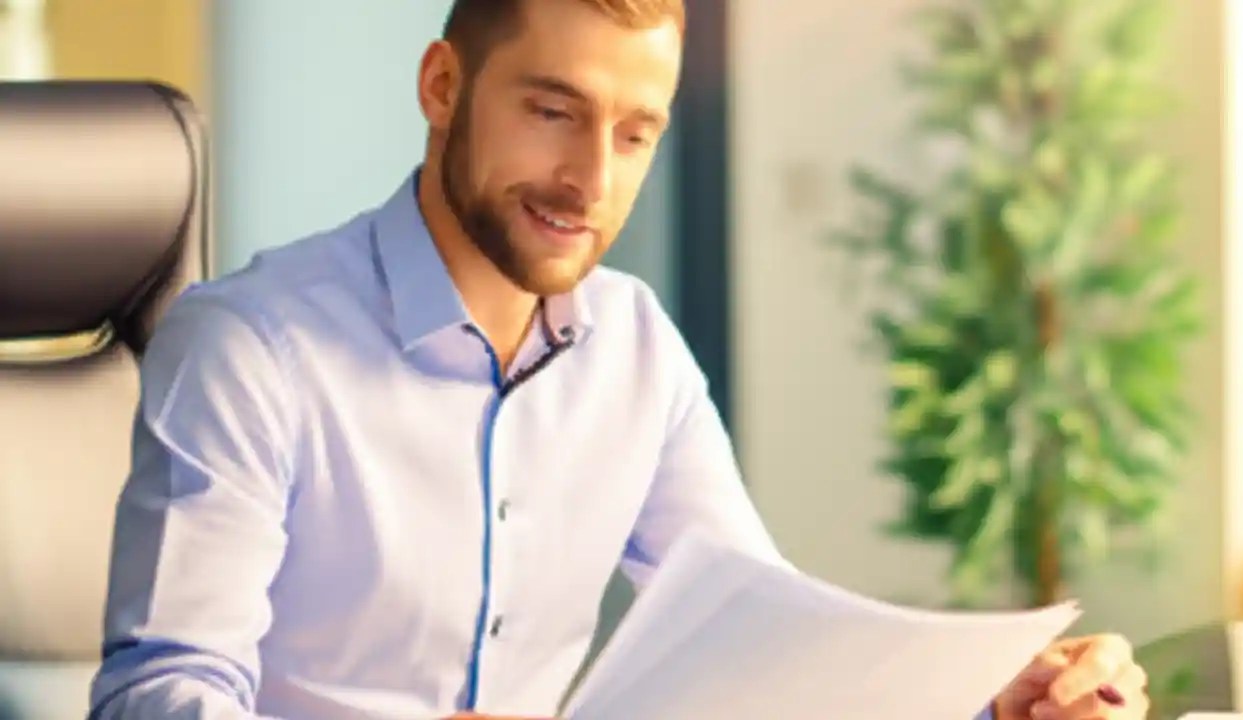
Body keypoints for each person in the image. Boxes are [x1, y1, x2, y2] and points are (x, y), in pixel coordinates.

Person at [88, 0, 1151, 718]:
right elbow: (158, 696)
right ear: (443, 86)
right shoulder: (251, 348)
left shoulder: (634, 347)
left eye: (634, 134)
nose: (590, 180)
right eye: (552, 113)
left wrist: (991, 695)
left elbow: (767, 643)